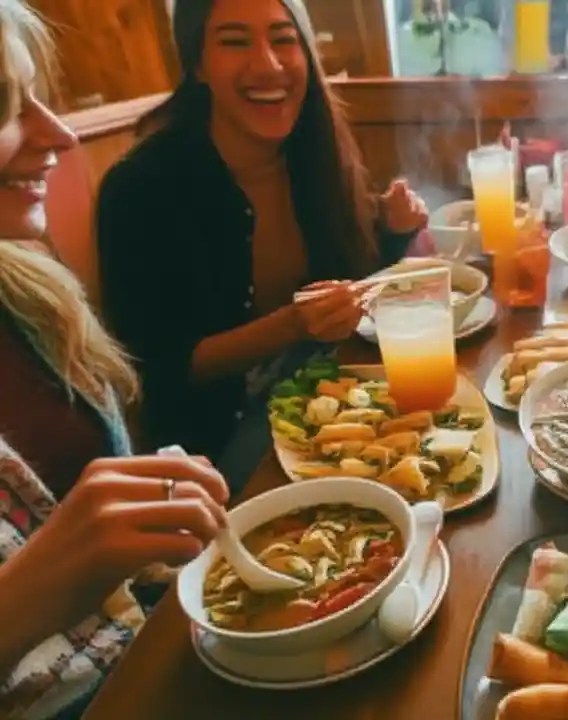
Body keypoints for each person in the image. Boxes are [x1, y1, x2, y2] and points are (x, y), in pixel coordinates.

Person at [0, 2, 230, 716]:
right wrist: (25, 598)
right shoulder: (144, 182)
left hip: (155, 652)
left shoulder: (31, 293)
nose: (59, 134)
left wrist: (144, 520)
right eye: (5, 106)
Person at [97, 0, 429, 478]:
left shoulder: (314, 148)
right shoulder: (140, 187)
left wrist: (393, 234)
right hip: (216, 453)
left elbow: (347, 279)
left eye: (283, 38)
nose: (268, 64)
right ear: (197, 64)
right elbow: (156, 371)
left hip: (330, 396)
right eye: (234, 42)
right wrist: (292, 324)